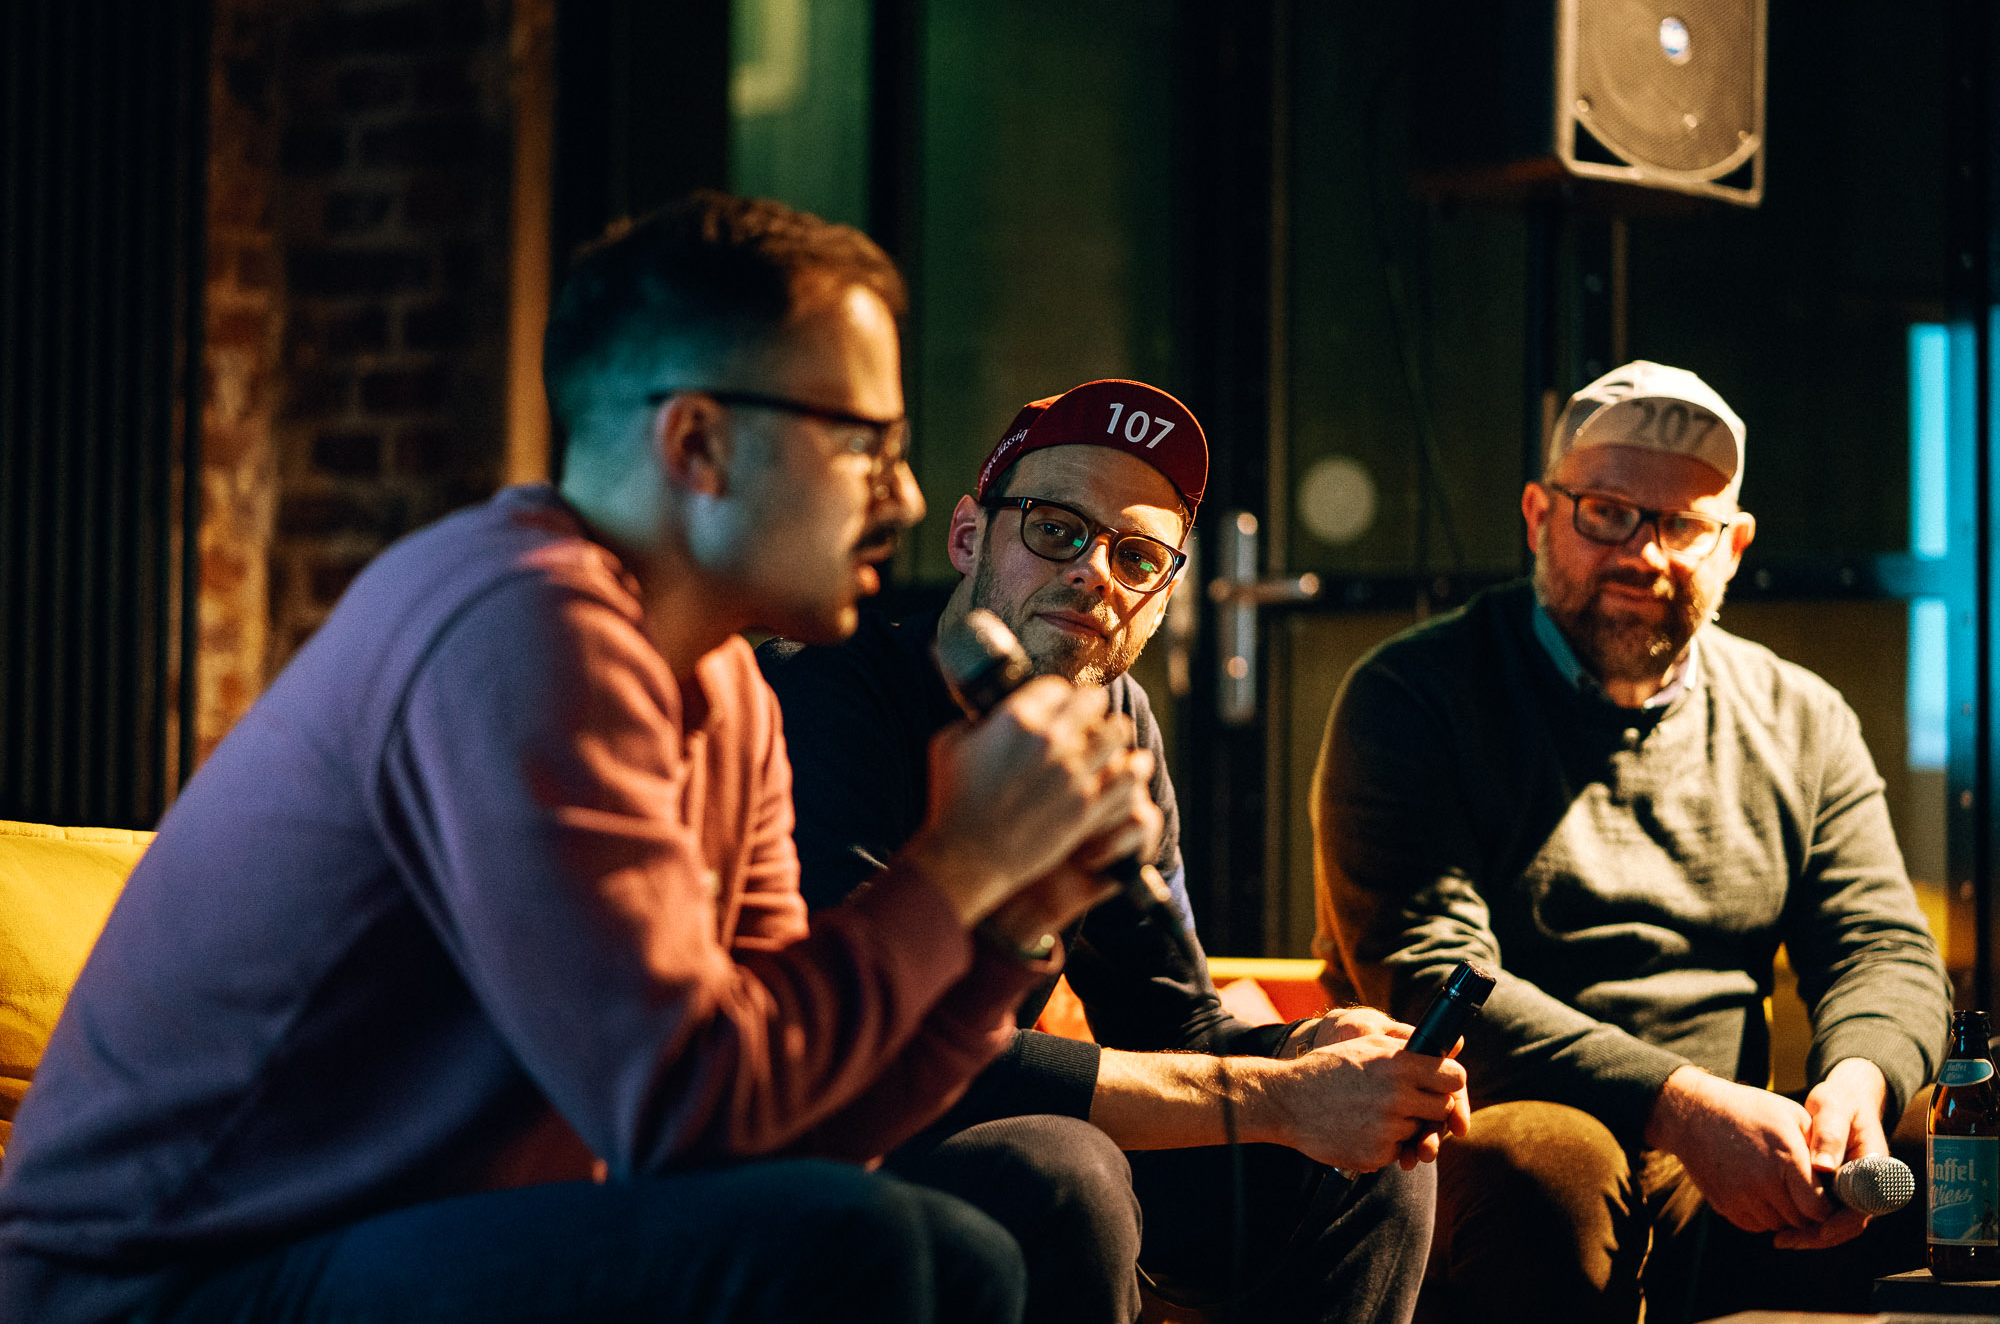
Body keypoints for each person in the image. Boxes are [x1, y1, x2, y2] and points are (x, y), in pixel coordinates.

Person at [0, 193, 1165, 1324]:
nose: (905, 496)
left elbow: (787, 1133)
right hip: (174, 1280)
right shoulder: (521, 626)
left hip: (393, 1246)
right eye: (865, 444)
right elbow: (687, 1112)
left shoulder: (728, 688)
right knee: (870, 1250)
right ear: (698, 443)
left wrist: (1008, 929)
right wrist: (953, 866)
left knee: (949, 1244)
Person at [759, 378, 1468, 1324]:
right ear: (969, 535)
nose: (1099, 573)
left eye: (1138, 556)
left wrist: (1316, 1055)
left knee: (1365, 1163)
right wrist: (1282, 1094)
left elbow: (1172, 1021)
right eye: (1056, 529)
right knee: (1065, 1167)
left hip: (999, 1110)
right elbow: (868, 1051)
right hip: (835, 1140)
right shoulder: (835, 696)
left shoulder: (1120, 725)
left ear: (1166, 596)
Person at [1311, 360, 1952, 1323]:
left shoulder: (1799, 716)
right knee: (1556, 1167)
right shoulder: (1413, 696)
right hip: (1489, 1121)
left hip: (1736, 1142)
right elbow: (1431, 973)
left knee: (1969, 1164)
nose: (1642, 553)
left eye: (1684, 524)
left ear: (1731, 546)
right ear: (1538, 517)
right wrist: (1684, 1103)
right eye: (1605, 512)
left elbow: (1882, 946)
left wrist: (1857, 1083)